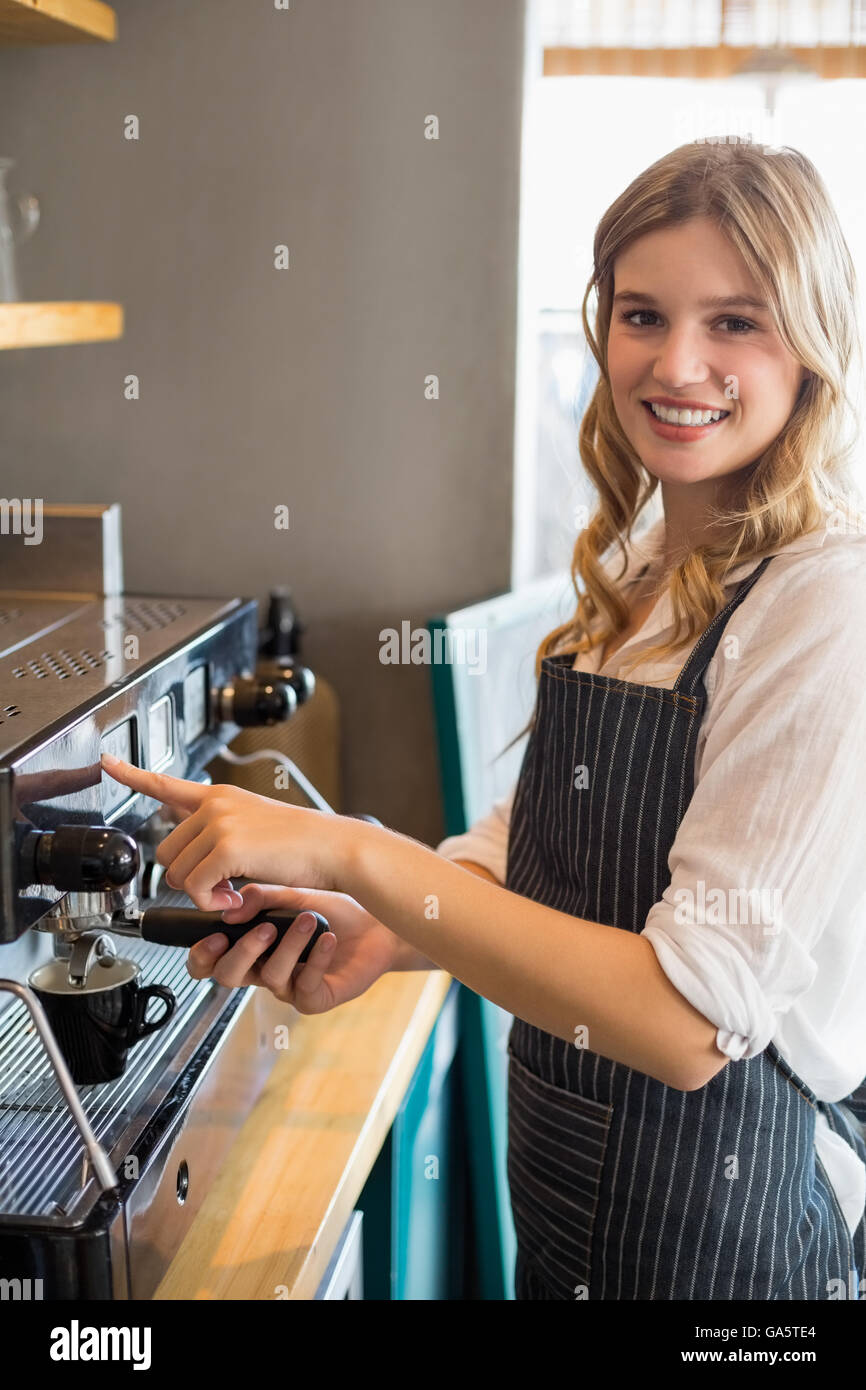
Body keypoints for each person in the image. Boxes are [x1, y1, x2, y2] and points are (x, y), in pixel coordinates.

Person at [102, 138, 866, 1302]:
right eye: (642, 314)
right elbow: (544, 848)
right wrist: (383, 923)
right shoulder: (644, 560)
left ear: (811, 341)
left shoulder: (824, 596)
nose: (676, 362)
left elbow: (679, 1022)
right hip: (572, 1220)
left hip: (730, 1249)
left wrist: (355, 849)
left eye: (735, 323)